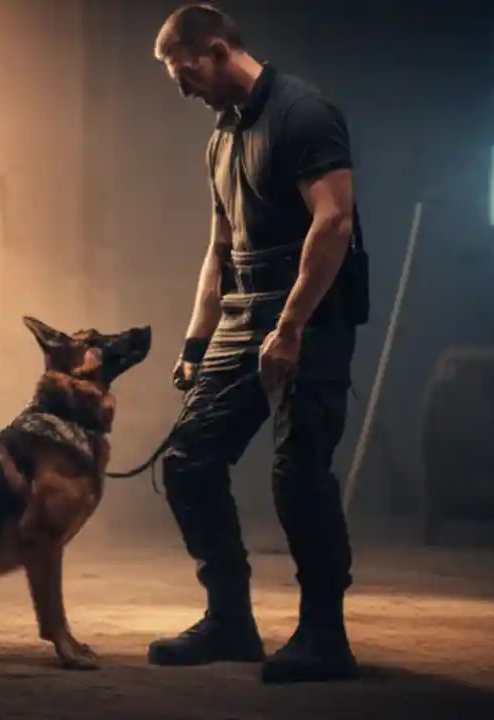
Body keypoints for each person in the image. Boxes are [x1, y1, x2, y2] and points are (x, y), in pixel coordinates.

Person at [147, 4, 366, 683]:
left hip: (311, 310)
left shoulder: (303, 113)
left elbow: (332, 223)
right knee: (186, 460)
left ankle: (325, 637)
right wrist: (194, 343)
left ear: (216, 50)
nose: (185, 89)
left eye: (187, 73)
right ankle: (230, 622)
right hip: (241, 313)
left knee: (298, 472)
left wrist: (292, 326)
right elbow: (219, 250)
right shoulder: (220, 138)